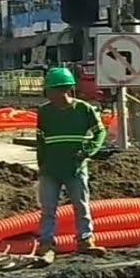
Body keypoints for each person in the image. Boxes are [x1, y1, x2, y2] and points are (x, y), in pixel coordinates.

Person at [34, 67, 107, 264]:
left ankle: (85, 240)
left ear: (64, 90)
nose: (49, 95)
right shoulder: (44, 112)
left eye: (51, 91)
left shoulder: (83, 110)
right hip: (51, 169)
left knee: (81, 205)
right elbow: (40, 141)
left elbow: (100, 132)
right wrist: (41, 165)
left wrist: (88, 151)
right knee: (48, 209)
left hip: (75, 167)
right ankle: (46, 245)